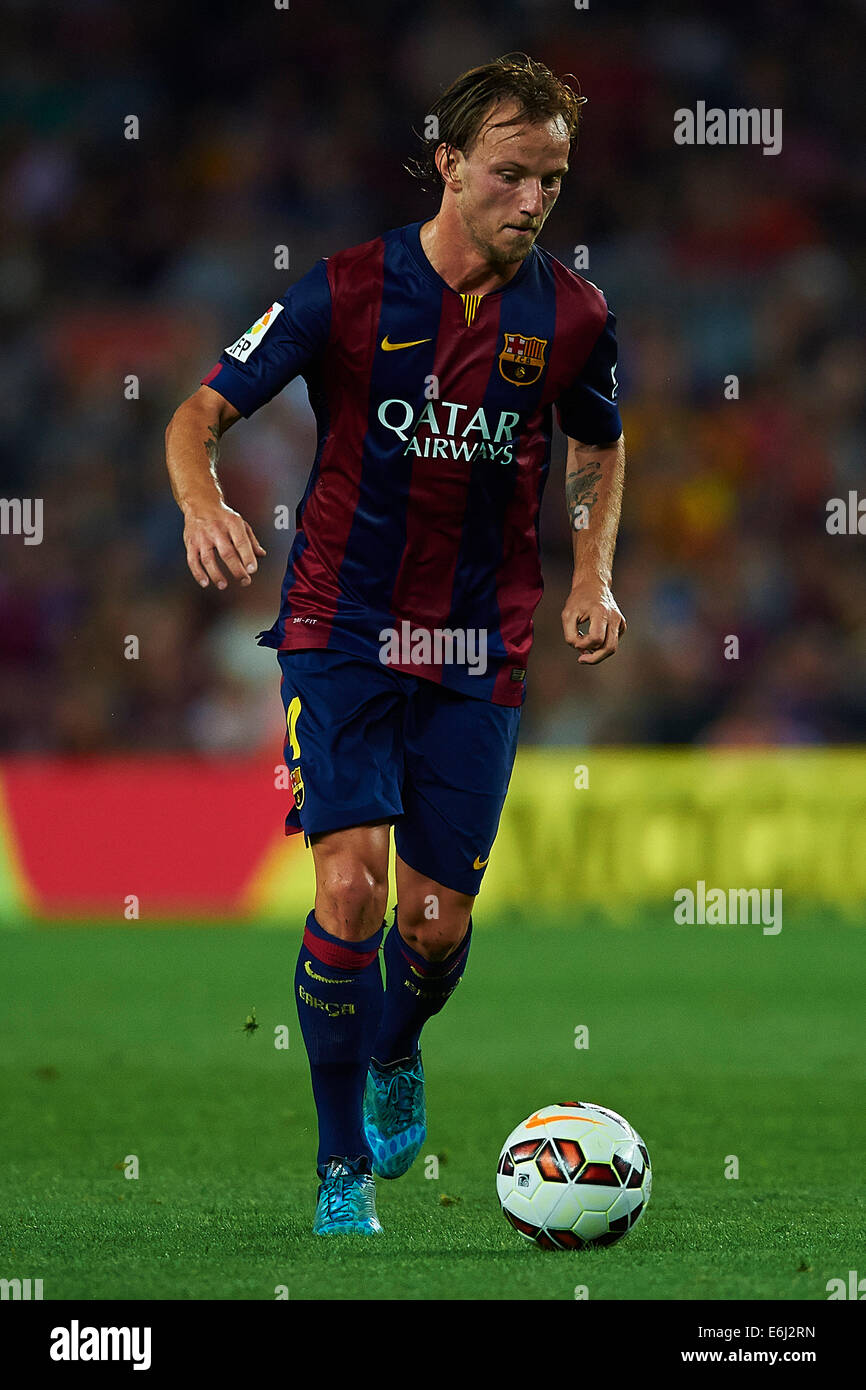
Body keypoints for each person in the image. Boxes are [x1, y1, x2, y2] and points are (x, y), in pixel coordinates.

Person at [165, 52, 626, 1235]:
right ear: (450, 163)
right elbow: (199, 411)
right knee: (351, 885)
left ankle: (397, 1046)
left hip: (481, 643)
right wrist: (203, 502)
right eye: (510, 176)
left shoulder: (572, 317)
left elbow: (597, 446)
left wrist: (595, 576)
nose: (531, 202)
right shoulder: (343, 290)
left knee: (434, 926)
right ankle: (338, 1173)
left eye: (553, 182)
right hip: (343, 627)